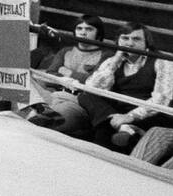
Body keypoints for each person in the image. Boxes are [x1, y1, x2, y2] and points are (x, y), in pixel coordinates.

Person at [31, 22, 173, 151]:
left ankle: (114, 134)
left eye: (136, 39)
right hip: (115, 112)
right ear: (118, 41)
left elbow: (161, 99)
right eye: (125, 38)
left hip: (146, 113)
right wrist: (116, 60)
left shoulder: (161, 62)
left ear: (146, 43)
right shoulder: (114, 60)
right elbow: (92, 86)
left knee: (104, 126)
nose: (129, 43)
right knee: (87, 96)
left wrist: (130, 117)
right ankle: (121, 129)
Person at [25, 16, 106, 111]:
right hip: (55, 94)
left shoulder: (105, 55)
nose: (83, 33)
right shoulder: (66, 50)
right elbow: (50, 74)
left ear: (98, 33)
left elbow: (92, 81)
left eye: (89, 29)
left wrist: (66, 71)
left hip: (81, 101)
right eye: (79, 28)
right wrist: (70, 79)